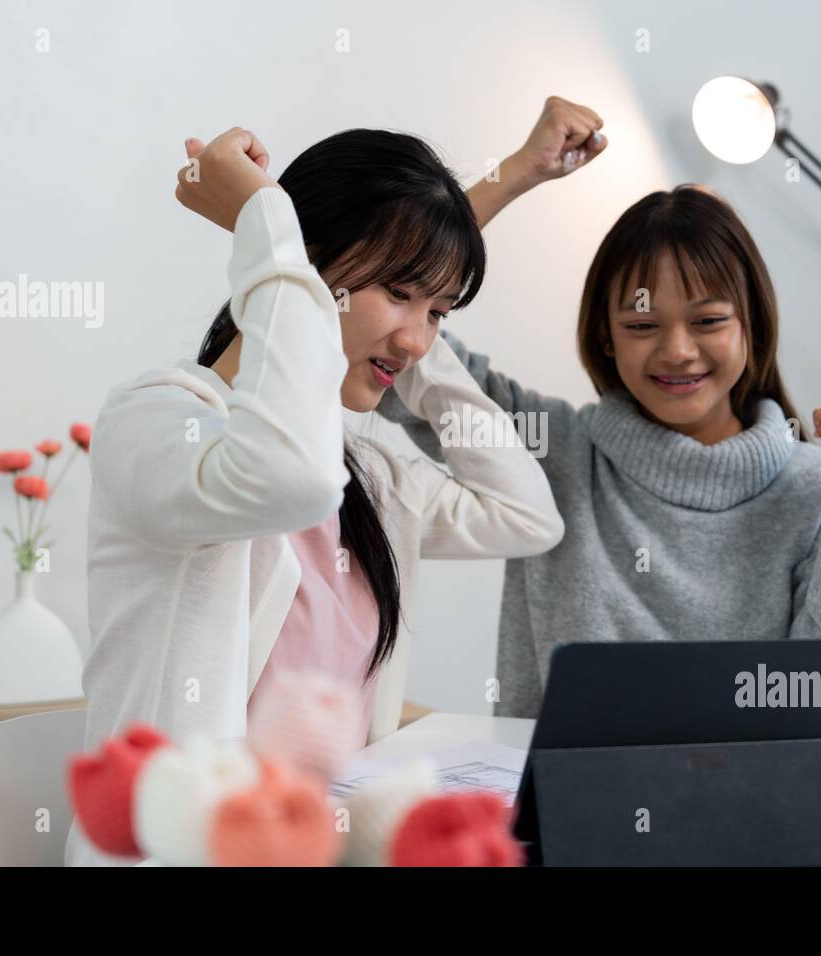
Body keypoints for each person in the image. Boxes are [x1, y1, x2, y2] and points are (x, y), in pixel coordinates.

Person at [66, 125, 563, 865]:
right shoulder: (160, 421)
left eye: (440, 312)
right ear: (301, 274)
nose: (423, 336)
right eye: (398, 291)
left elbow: (528, 516)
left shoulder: (369, 474)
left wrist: (406, 349)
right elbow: (286, 478)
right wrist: (265, 224)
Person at [380, 97, 821, 719]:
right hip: (561, 807)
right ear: (605, 334)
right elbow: (392, 341)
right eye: (642, 324)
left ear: (751, 325)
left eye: (708, 320)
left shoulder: (814, 491)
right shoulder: (548, 448)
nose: (678, 351)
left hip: (747, 812)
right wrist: (517, 171)